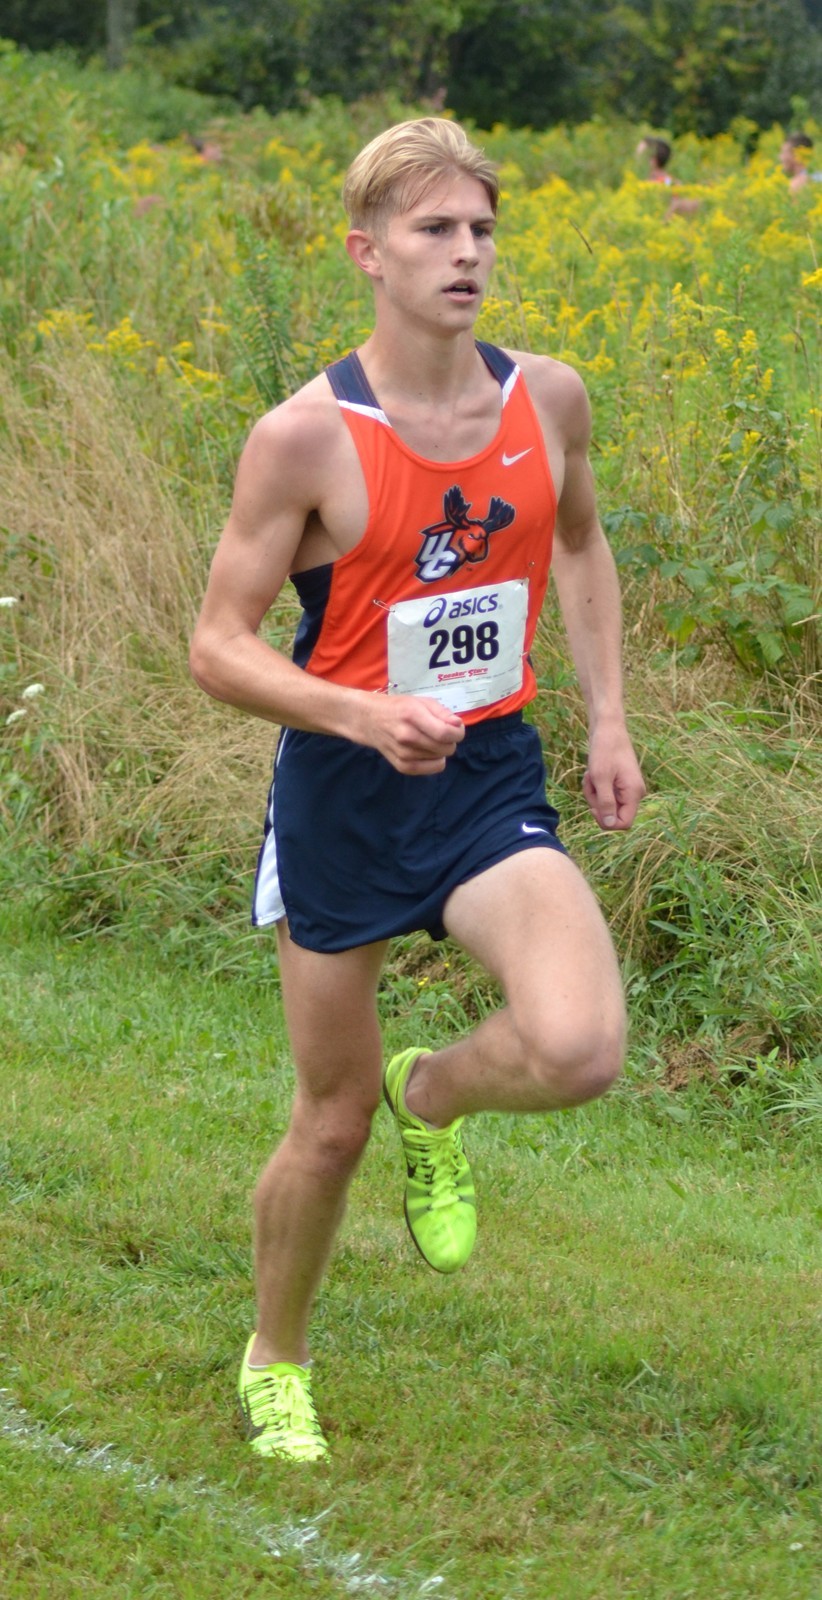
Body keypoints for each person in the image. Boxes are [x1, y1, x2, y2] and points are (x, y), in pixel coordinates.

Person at [189, 117, 646, 1464]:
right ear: (365, 252)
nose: (466, 254)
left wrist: (607, 718)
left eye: (482, 230)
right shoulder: (303, 436)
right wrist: (357, 710)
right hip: (342, 789)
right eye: (435, 230)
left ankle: (434, 1094)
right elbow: (214, 647)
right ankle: (277, 1354)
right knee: (326, 1125)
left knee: (578, 1046)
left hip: (485, 773)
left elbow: (581, 542)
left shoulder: (544, 400)